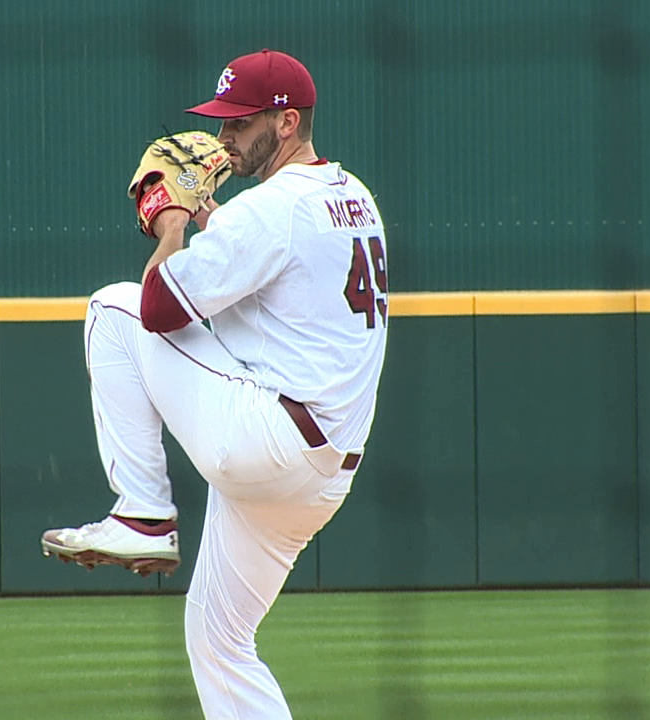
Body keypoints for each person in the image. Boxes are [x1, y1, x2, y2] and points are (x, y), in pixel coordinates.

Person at [42, 49, 389, 719]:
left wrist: (172, 220)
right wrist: (209, 216)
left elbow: (160, 308)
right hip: (322, 473)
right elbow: (268, 278)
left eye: (240, 121)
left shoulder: (270, 210)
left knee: (114, 308)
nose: (224, 137)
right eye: (222, 120)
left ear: (286, 123)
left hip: (269, 442)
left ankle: (143, 513)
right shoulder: (351, 195)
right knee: (218, 638)